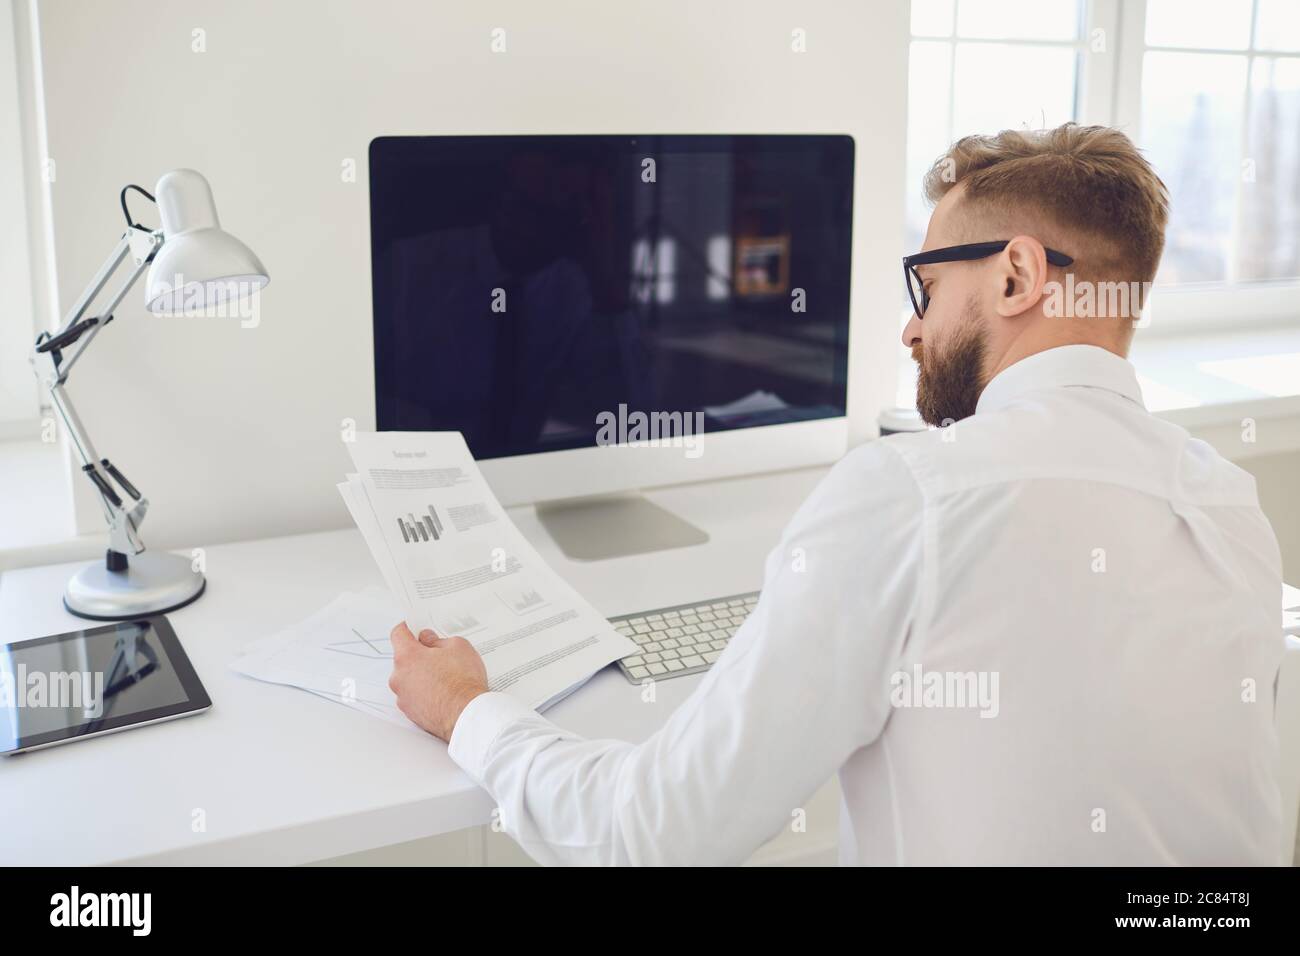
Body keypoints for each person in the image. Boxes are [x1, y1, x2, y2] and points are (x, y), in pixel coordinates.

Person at [387, 124, 1287, 865]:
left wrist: (467, 709)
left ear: (1016, 276)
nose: (911, 328)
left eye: (927, 285)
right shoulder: (1231, 508)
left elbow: (649, 834)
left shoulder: (912, 496)